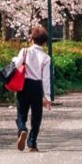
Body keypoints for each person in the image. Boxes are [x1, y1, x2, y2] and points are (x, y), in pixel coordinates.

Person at [12, 23, 54, 152]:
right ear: (44, 43)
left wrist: (14, 59)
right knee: (37, 116)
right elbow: (46, 78)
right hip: (37, 86)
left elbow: (16, 64)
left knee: (21, 112)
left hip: (24, 84)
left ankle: (22, 128)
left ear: (32, 39)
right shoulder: (46, 57)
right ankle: (32, 143)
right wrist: (47, 97)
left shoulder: (25, 51)